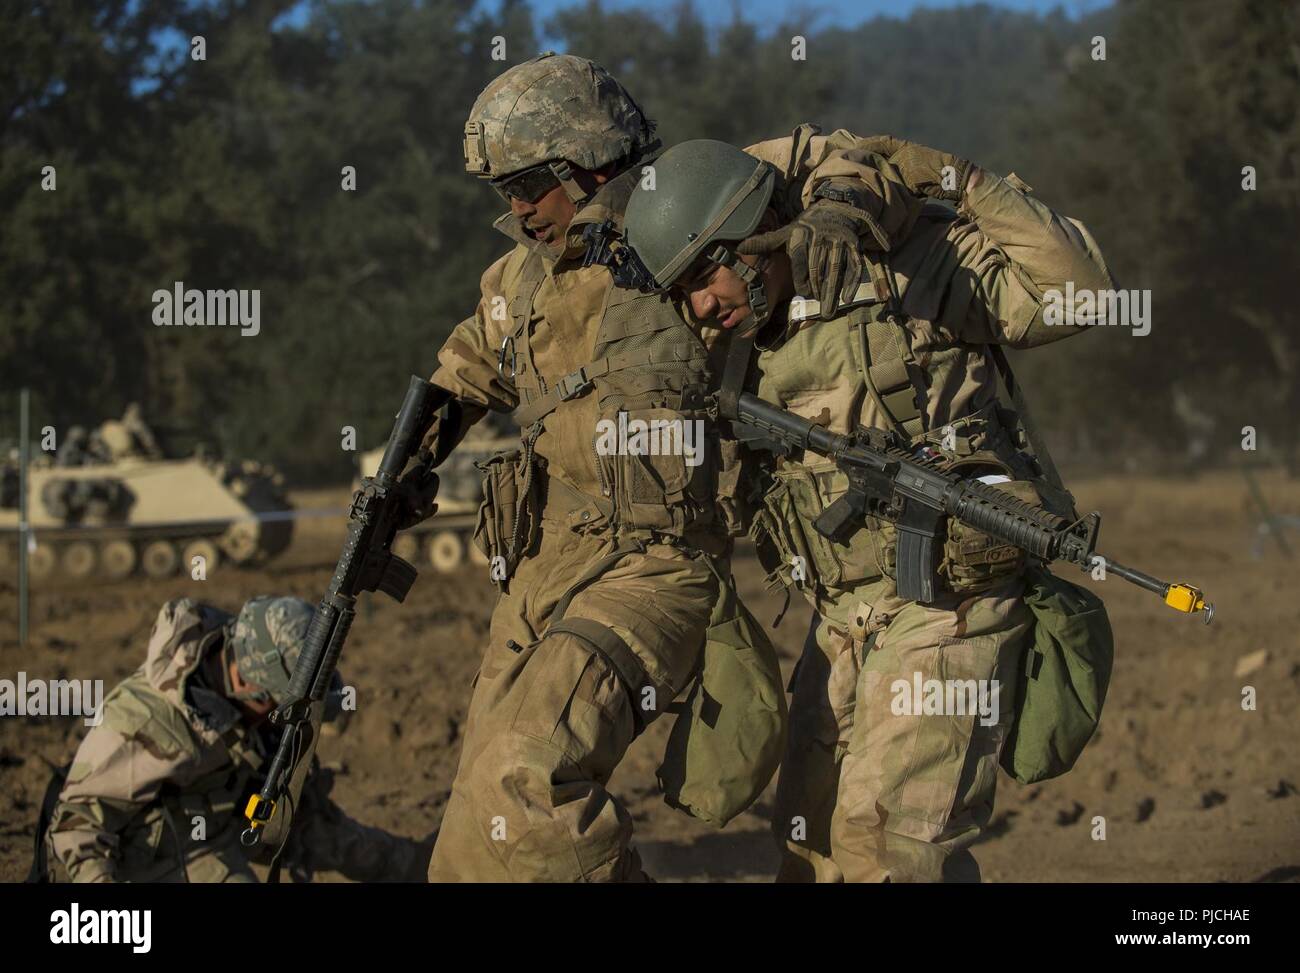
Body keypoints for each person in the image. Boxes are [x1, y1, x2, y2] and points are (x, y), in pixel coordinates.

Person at [403, 55, 893, 881]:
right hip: (537, 574)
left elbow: (843, 156)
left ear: (587, 161)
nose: (517, 208)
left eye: (527, 183)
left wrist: (836, 216)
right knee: (470, 845)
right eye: (504, 192)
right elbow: (463, 371)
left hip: (653, 567)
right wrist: (399, 475)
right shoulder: (516, 280)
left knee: (525, 780)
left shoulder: (689, 220)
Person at [615, 134, 1117, 882]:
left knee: (887, 854)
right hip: (839, 622)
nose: (698, 305)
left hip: (948, 605)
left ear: (753, 234)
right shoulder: (726, 343)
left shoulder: (902, 269)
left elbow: (1082, 294)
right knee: (811, 856)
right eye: (679, 290)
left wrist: (964, 180)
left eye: (704, 275)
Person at [40, 595, 429, 883]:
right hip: (153, 855)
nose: (282, 719)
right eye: (278, 706)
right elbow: (77, 825)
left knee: (314, 827)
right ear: (247, 682)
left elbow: (312, 826)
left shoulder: (245, 688)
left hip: (229, 817)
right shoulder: (144, 721)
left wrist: (414, 864)